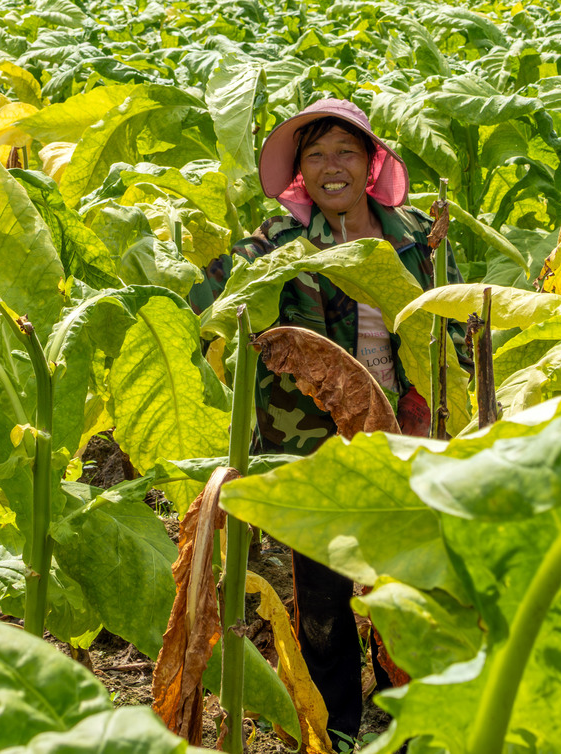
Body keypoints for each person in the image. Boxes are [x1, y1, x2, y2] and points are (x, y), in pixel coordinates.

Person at [191, 98, 467, 742]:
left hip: (408, 430)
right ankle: (337, 726)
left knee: (409, 582)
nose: (331, 166)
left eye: (346, 150)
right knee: (321, 592)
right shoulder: (274, 245)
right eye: (314, 155)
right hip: (310, 439)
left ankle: (414, 718)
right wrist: (198, 261)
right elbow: (209, 302)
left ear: (372, 163)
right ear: (300, 173)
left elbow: (454, 330)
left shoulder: (416, 237)